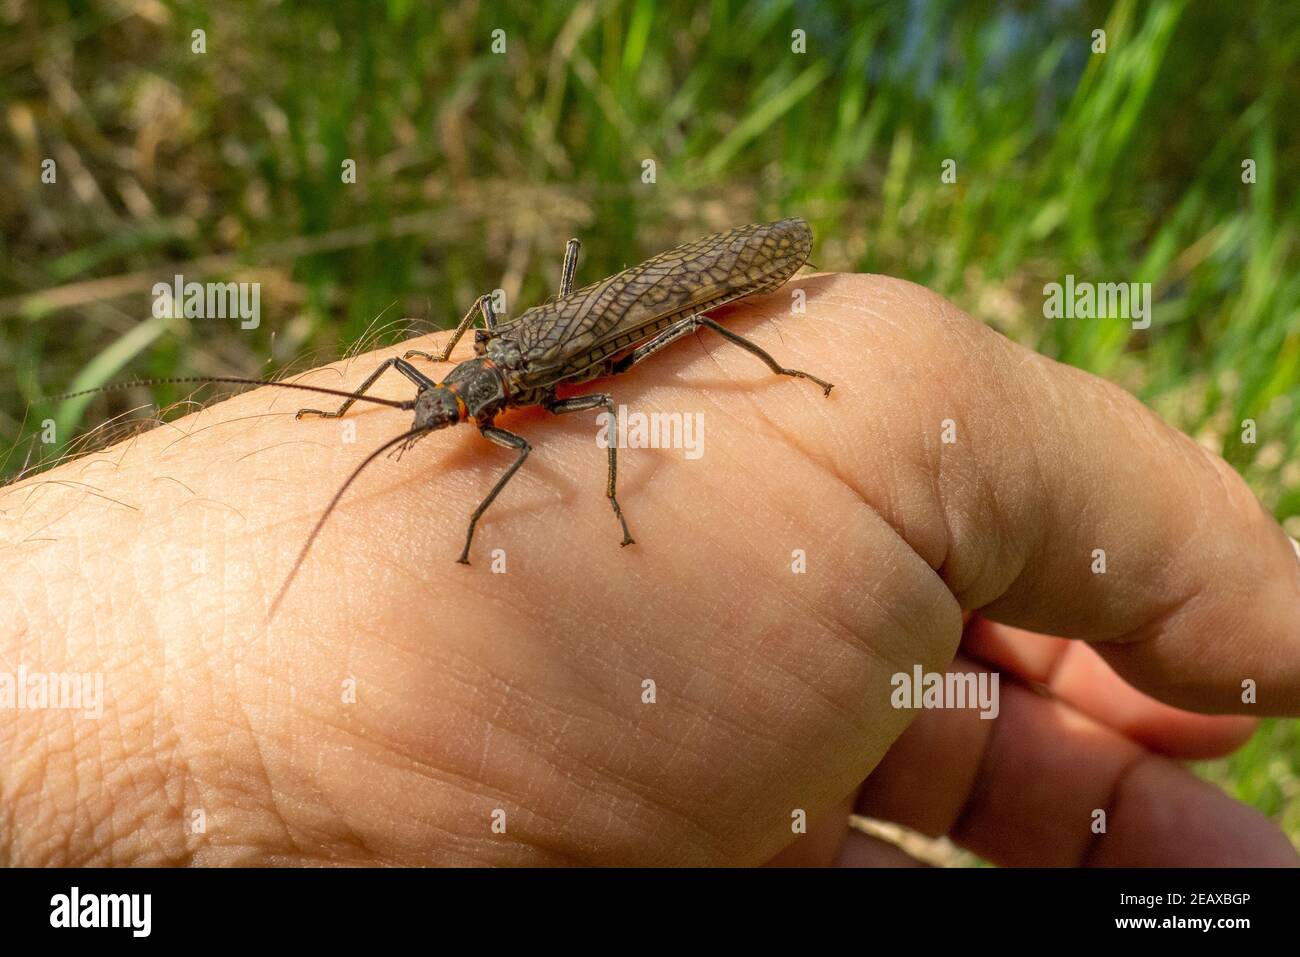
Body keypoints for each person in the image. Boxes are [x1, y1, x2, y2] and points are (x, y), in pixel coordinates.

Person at [3, 273, 1297, 866]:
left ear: (482, 394)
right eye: (439, 410)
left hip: (614, 325)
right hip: (532, 349)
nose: (431, 417)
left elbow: (563, 438)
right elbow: (435, 402)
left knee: (677, 337)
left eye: (443, 410)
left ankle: (770, 335)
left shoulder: (521, 406)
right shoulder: (457, 392)